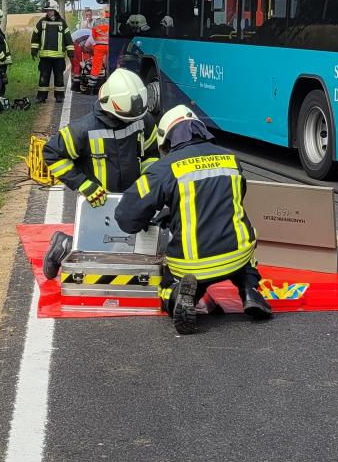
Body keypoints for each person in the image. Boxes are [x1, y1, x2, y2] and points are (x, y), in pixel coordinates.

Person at [115, 105, 273, 335]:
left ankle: (178, 294)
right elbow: (234, 199)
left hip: (192, 264)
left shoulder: (164, 169)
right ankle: (250, 291)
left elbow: (125, 216)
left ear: (167, 140)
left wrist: (162, 217)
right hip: (237, 256)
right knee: (245, 240)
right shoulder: (231, 160)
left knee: (165, 283)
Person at [42, 69, 158, 207]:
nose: (131, 122)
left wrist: (148, 181)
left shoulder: (143, 120)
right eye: (126, 119)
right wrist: (84, 184)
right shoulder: (83, 129)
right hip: (99, 204)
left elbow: (151, 153)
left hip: (134, 201)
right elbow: (52, 153)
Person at [31, 0, 74, 103]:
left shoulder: (62, 23)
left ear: (56, 10)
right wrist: (34, 49)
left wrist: (70, 51)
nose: (49, 12)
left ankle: (59, 97)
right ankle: (41, 97)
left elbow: (67, 37)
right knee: (43, 78)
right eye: (47, 11)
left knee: (59, 78)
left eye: (51, 10)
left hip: (58, 57)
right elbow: (35, 35)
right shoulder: (42, 22)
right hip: (45, 57)